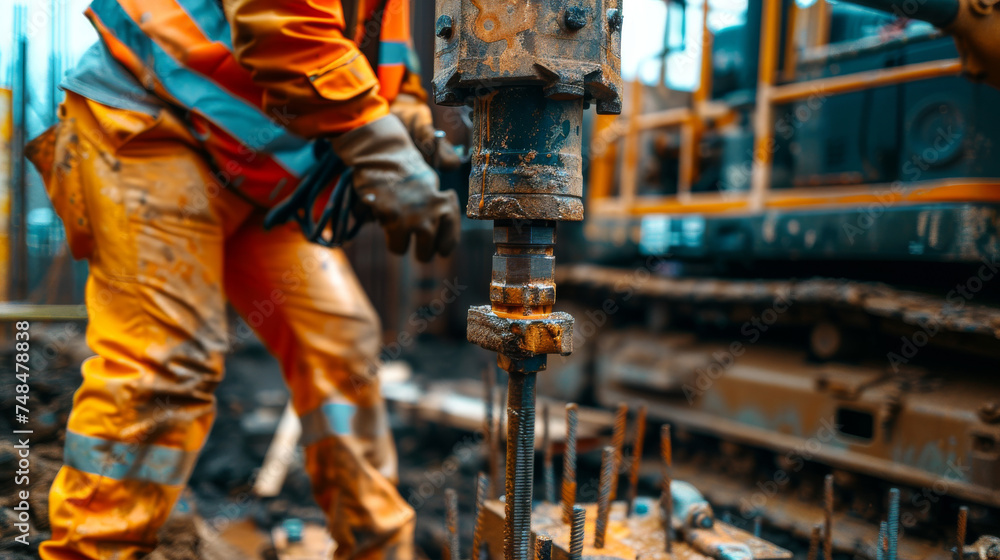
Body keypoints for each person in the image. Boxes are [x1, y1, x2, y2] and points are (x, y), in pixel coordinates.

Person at [25, 0, 460, 558]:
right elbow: (278, 19)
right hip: (152, 121)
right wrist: (384, 153)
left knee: (343, 348)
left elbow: (384, 65)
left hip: (263, 179)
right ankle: (96, 551)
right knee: (167, 361)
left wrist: (410, 123)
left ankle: (377, 546)